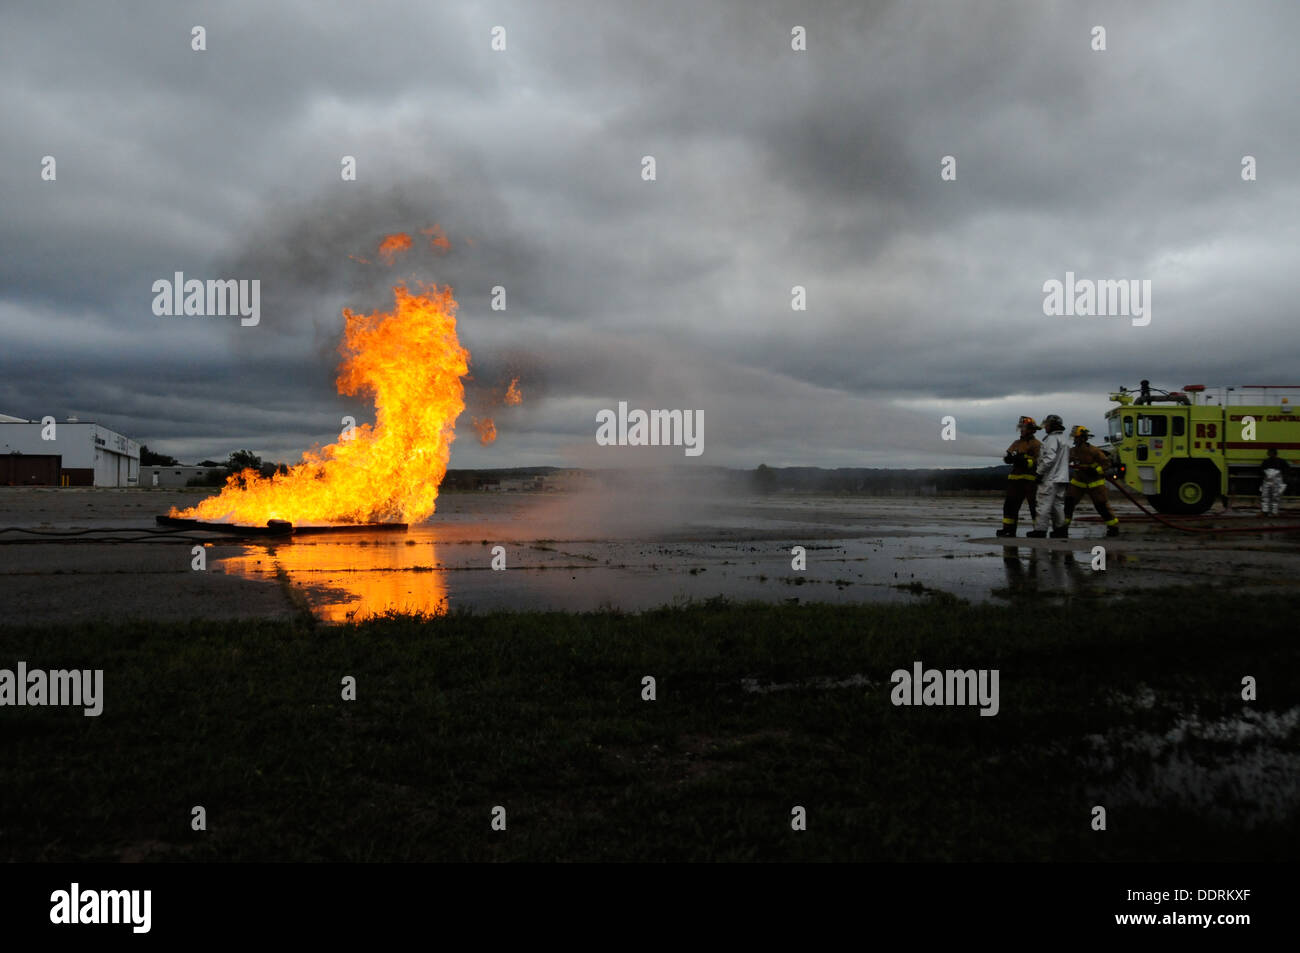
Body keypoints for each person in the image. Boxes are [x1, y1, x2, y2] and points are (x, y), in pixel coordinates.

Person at [1063, 426, 1119, 537]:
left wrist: (1096, 470)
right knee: (1069, 503)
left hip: (1095, 483)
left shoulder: (1094, 450)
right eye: (1074, 438)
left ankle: (1113, 527)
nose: (1074, 440)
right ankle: (1063, 528)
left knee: (1101, 506)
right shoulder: (1073, 451)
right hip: (1078, 482)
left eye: (1076, 438)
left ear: (1083, 438)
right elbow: (1064, 461)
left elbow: (1106, 463)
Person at [995, 416, 1041, 537]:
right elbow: (1008, 456)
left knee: (1034, 507)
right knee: (1009, 506)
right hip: (1015, 480)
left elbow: (1040, 461)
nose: (1021, 430)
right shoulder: (1016, 443)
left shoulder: (1037, 444)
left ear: (1031, 429)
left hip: (1030, 481)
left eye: (1024, 427)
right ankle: (1008, 529)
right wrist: (1008, 458)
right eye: (1020, 427)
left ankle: (1038, 530)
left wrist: (1026, 461)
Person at [1026, 414, 1069, 538]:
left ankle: (1040, 530)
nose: (1045, 427)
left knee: (1043, 504)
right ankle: (1061, 530)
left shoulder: (1051, 439)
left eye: (1047, 425)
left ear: (1052, 426)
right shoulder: (1064, 439)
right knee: (1058, 505)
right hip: (1062, 478)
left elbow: (1048, 458)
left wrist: (1039, 473)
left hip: (1050, 478)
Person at [1260, 448, 1289, 517]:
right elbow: (1261, 470)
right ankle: (1265, 512)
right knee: (1265, 496)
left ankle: (1274, 512)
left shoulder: (1280, 461)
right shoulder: (1267, 461)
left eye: (1271, 453)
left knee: (1275, 497)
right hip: (1269, 481)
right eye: (1269, 453)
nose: (1270, 454)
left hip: (1274, 481)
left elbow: (1287, 470)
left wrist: (1283, 480)